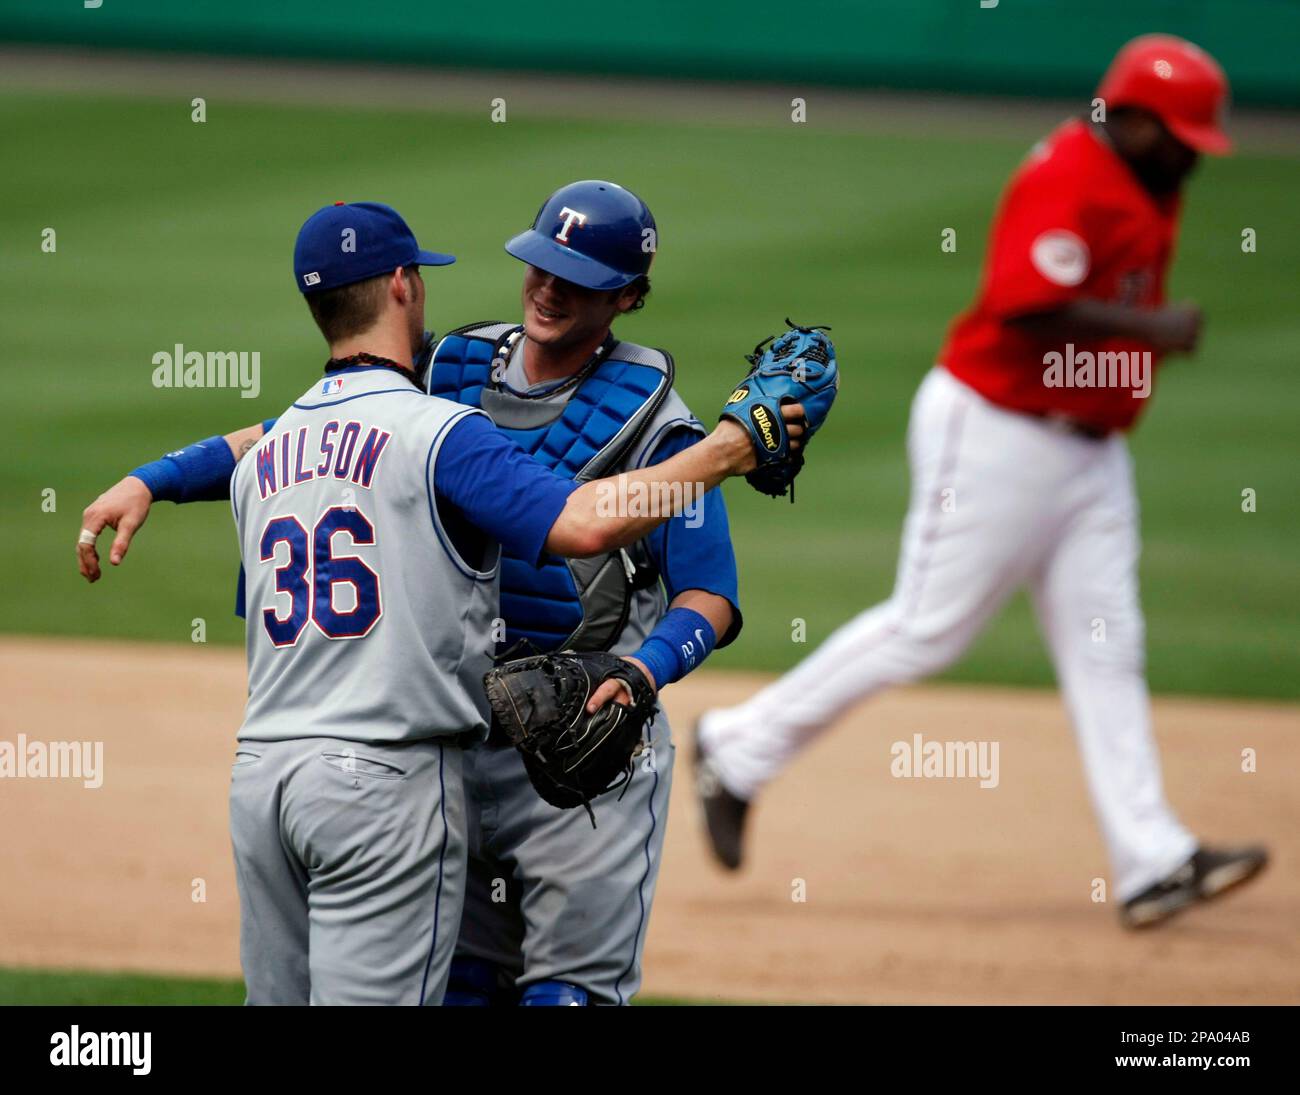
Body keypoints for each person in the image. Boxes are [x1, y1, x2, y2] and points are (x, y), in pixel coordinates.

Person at [78, 199, 801, 1003]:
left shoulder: (662, 431)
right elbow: (297, 429)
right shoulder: (445, 375)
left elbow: (713, 595)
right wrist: (160, 475)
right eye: (541, 266)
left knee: (568, 993)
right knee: (455, 985)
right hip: (451, 747)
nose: (550, 290)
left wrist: (644, 671)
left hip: (583, 741)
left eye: (581, 281)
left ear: (628, 297)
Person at [694, 35, 1267, 929]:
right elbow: (1021, 303)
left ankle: (1151, 858)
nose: (1196, 152)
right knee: (928, 629)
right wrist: (1151, 328)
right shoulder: (1068, 176)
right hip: (998, 431)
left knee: (1107, 644)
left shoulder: (1149, 175)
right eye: (1182, 135)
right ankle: (735, 749)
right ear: (1135, 118)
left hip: (1091, 450)